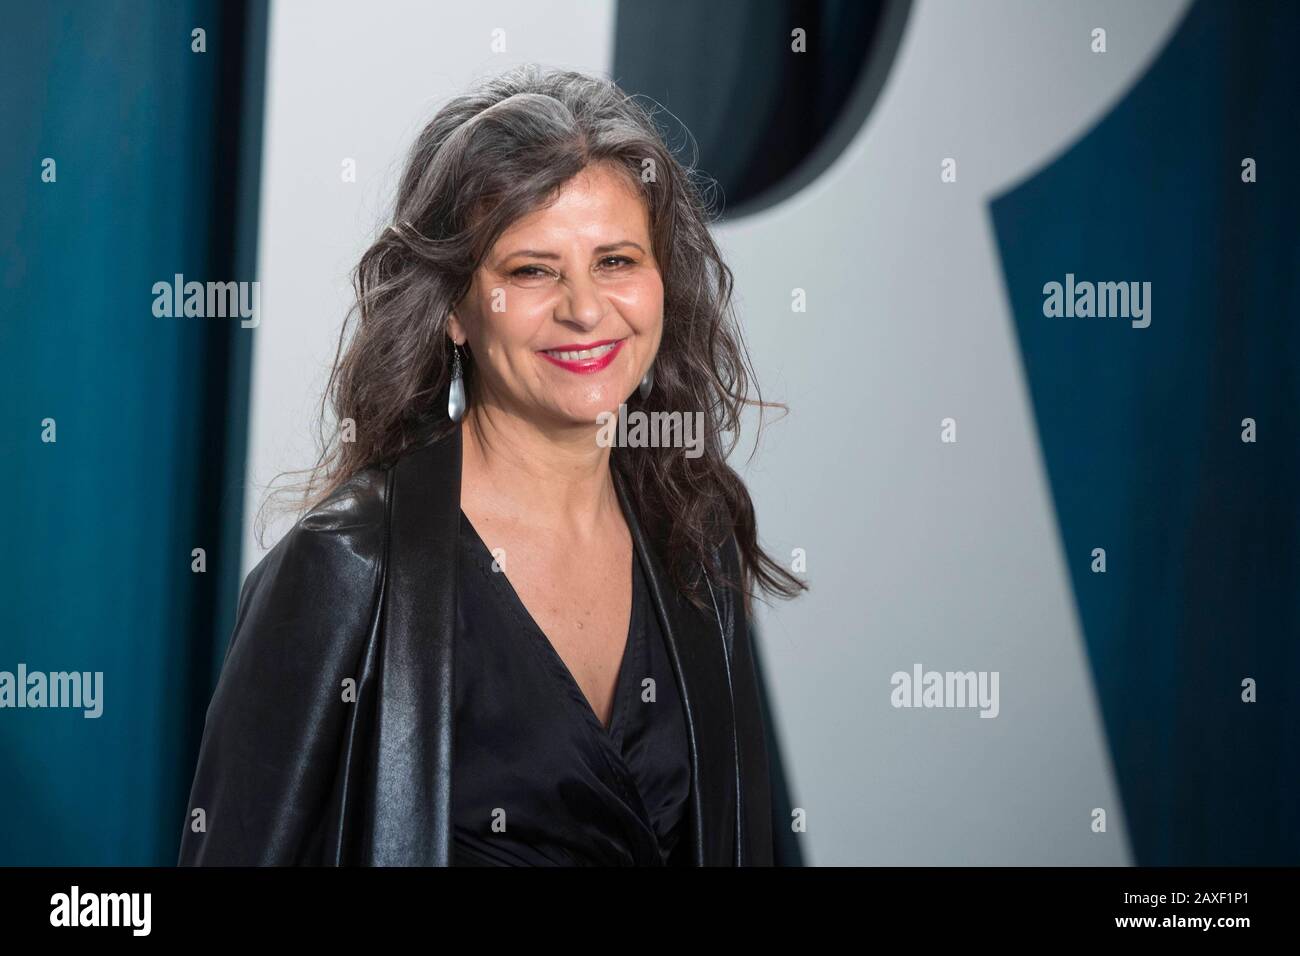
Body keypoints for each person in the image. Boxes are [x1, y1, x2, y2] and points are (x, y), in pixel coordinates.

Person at [178, 64, 806, 867]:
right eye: (531, 270)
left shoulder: (696, 532)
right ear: (453, 309)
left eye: (615, 260)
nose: (584, 309)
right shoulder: (347, 565)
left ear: (662, 284)